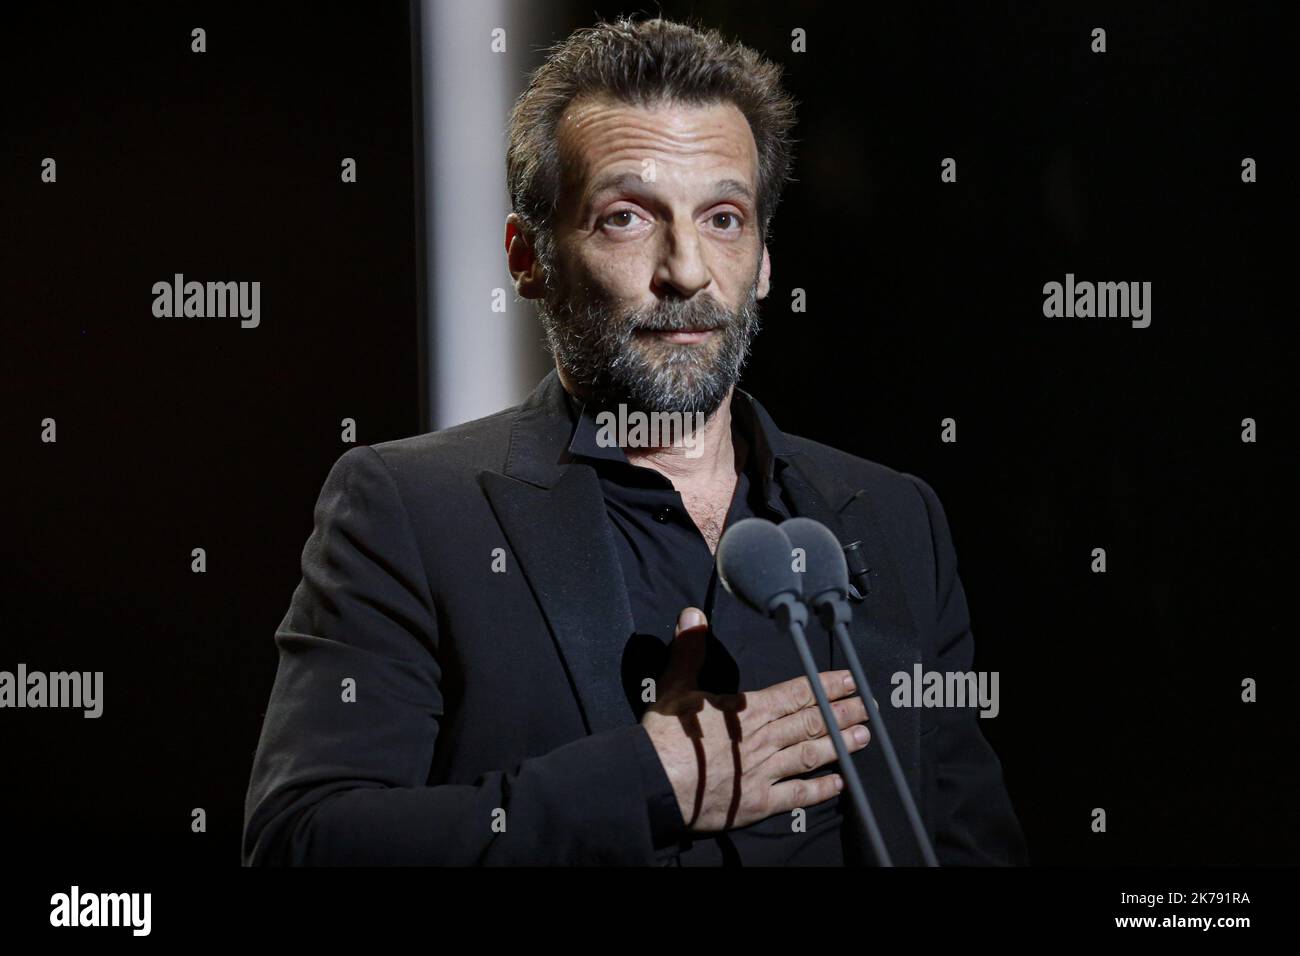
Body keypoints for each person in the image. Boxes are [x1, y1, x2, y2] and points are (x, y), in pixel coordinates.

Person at [242, 16, 1027, 866]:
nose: (686, 269)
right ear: (528, 257)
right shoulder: (409, 512)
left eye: (724, 218)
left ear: (763, 261)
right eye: (626, 218)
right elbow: (303, 843)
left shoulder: (894, 517)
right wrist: (647, 783)